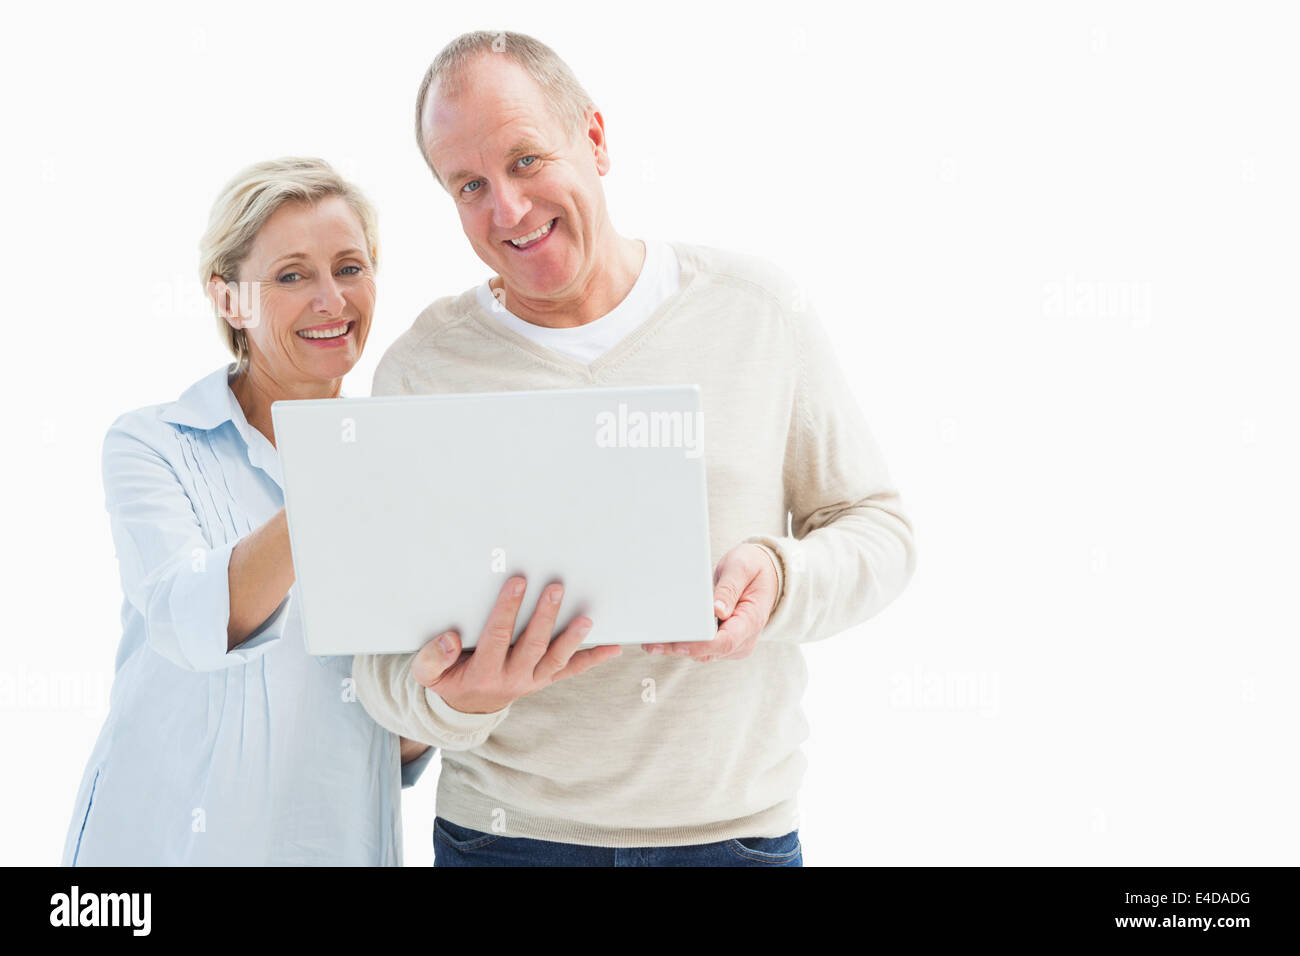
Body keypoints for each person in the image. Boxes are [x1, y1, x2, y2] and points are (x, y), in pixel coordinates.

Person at [351, 31, 918, 867]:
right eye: (469, 185)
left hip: (736, 838)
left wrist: (781, 577)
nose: (506, 209)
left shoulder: (756, 312)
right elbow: (379, 667)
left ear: (597, 139)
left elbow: (881, 532)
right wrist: (458, 701)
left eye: (526, 160)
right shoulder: (422, 370)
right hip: (505, 841)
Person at [60, 157, 611, 864]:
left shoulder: (410, 458)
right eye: (292, 276)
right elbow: (189, 617)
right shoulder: (155, 442)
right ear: (229, 300)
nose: (331, 300)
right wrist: (352, 469)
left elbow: (400, 733)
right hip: (158, 848)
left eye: (350, 269)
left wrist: (463, 692)